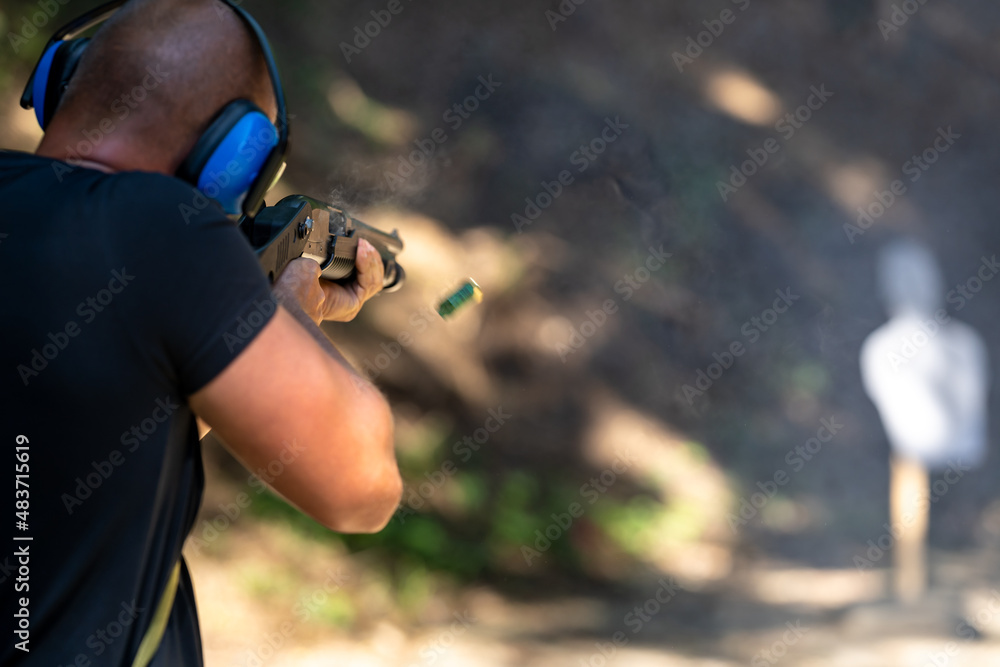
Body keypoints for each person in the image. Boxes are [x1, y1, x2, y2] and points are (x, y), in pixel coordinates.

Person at [0, 0, 402, 664]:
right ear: (235, 159)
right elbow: (362, 486)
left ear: (60, 80)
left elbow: (91, 441)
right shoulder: (165, 233)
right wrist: (290, 314)